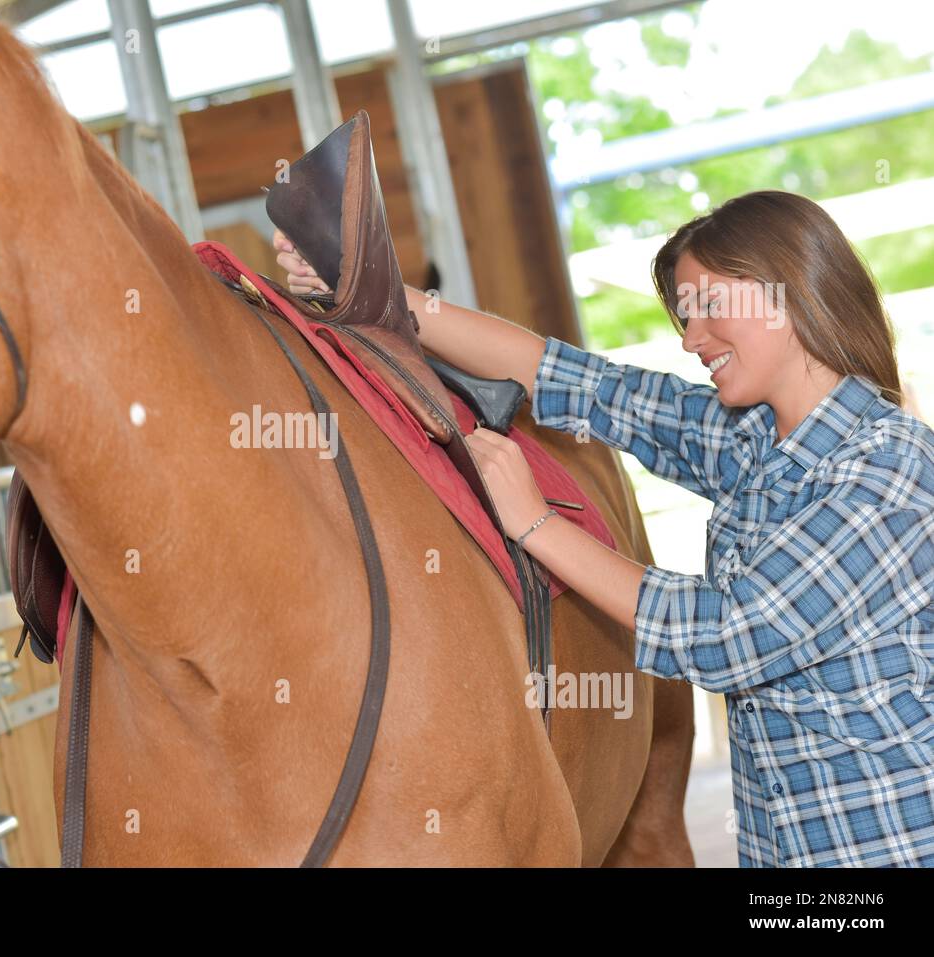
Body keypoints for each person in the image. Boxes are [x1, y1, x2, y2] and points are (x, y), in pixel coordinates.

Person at [273, 189, 934, 868]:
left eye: (708, 307)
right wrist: (368, 292)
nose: (690, 338)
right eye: (683, 316)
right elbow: (567, 378)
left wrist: (535, 523)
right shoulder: (754, 441)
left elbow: (725, 635)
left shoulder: (885, 467)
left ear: (788, 292)